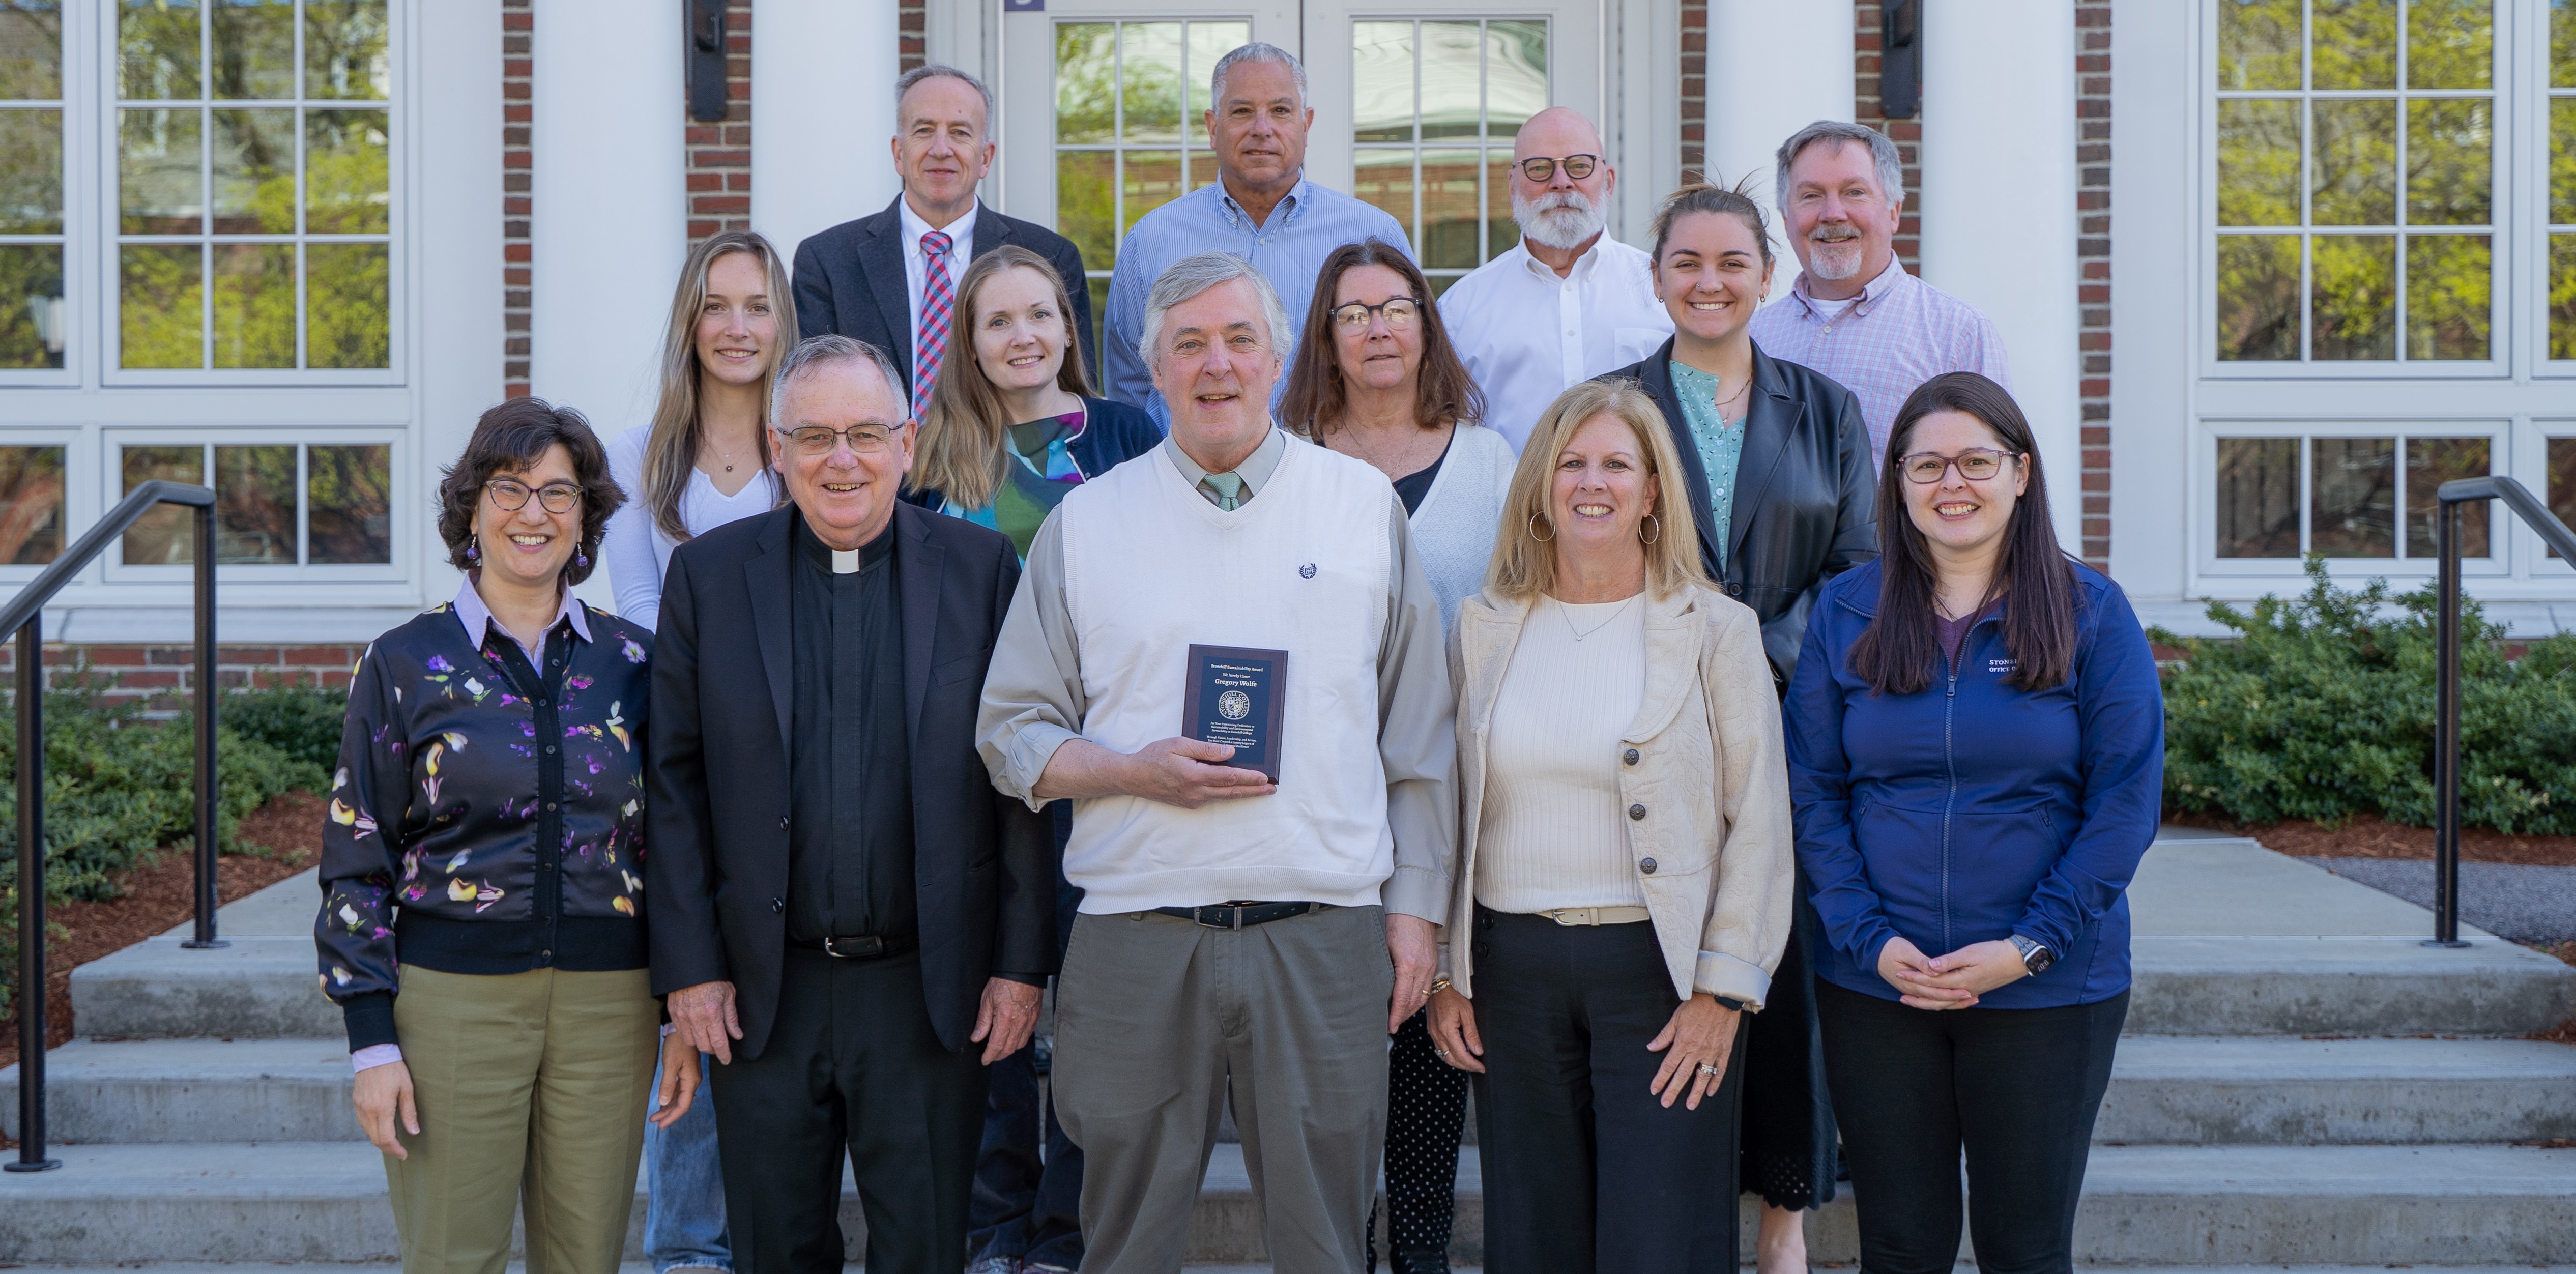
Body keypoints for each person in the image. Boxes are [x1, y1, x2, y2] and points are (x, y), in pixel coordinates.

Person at [977, 251, 1456, 1274]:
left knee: (1326, 1247)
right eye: (1187, 344)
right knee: (1122, 1248)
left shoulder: (1361, 507)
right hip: (1136, 936)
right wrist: (1131, 771)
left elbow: (1418, 732)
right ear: (1152, 370)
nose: (1217, 363)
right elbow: (1010, 733)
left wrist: (1415, 907)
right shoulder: (1085, 523)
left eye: (1240, 339)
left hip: (1322, 931)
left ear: (1278, 357)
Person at [647, 335, 1057, 1274]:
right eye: (815, 436)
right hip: (762, 993)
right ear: (777, 448)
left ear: (905, 444)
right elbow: (672, 784)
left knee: (923, 1252)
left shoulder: (981, 569)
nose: (843, 459)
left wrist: (1019, 964)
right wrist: (690, 971)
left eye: (866, 434)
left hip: (927, 990)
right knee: (774, 1251)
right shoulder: (708, 578)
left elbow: (1021, 780)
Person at [1785, 371, 2162, 1274]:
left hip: (2045, 988)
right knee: (1898, 1246)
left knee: (2023, 1249)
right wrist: (1867, 938)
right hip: (1878, 983)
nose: (1950, 483)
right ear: (1897, 481)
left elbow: (2123, 802)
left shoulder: (2091, 612)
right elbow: (1810, 791)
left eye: (1975, 461)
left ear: (2020, 473)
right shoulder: (1847, 610)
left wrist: (2029, 946)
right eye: (1926, 465)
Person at [1424, 378, 1793, 1272]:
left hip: (1660, 976)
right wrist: (1443, 967)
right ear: (1541, 486)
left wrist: (1722, 992)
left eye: (1616, 465)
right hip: (1510, 974)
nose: (1592, 483)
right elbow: (1441, 807)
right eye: (1571, 463)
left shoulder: (1716, 629)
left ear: (1652, 490)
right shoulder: (1480, 628)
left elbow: (1759, 821)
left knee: (1659, 1241)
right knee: (1533, 1240)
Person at [319, 398, 684, 1274]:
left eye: (559, 492)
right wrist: (371, 1039)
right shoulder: (404, 661)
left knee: (585, 1259)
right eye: (510, 488)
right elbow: (356, 854)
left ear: (586, 518)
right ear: (472, 507)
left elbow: (675, 848)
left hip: (609, 1007)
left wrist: (679, 1011)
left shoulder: (636, 663)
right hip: (452, 1003)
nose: (534, 512)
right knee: (453, 1256)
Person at [1601, 182, 1874, 1274]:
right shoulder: (1609, 406)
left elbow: (1856, 571)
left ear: (1766, 277)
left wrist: (1751, 653)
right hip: (1645, 715)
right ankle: (1670, 1198)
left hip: (1787, 716)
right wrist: (1689, 654)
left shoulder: (1826, 410)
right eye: (1686, 262)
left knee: (1781, 961)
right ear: (1655, 277)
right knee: (1663, 959)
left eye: (1730, 263)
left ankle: (1784, 1213)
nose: (1707, 283)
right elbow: (1582, 547)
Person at [906, 243, 1157, 1274]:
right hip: (972, 770)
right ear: (967, 341)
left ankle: (1065, 1229)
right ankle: (994, 1225)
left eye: (1040, 315)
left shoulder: (1127, 437)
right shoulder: (934, 457)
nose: (1022, 337)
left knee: (1091, 1011)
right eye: (998, 320)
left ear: (1068, 328)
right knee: (992, 1007)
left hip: (1103, 763)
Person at [1275, 238, 1504, 1273]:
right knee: (1319, 1063)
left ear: (1425, 325)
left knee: (1426, 1032)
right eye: (1352, 312)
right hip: (1310, 794)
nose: (1376, 328)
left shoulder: (1488, 461)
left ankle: (1416, 1252)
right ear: (1324, 337)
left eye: (1396, 307)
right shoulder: (1280, 458)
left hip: (1448, 788)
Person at [597, 228, 796, 1274]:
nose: (736, 325)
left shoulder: (809, 441)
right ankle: (686, 1246)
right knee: (690, 990)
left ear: (782, 320)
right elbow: (638, 610)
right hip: (677, 752)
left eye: (756, 305)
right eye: (716, 304)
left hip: (798, 757)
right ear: (690, 320)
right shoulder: (639, 453)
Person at [1101, 43, 1413, 427]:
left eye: (1280, 111)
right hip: (1191, 462)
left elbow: (1409, 357)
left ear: (1306, 125)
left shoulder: (1372, 233)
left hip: (1332, 458)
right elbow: (1131, 381)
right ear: (1213, 127)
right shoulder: (1152, 239)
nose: (1262, 129)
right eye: (1242, 111)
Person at [792, 66, 1093, 420]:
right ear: (898, 153)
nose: (940, 149)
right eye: (924, 131)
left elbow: (1073, 393)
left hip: (1011, 454)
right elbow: (812, 395)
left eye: (960, 133)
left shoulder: (1049, 255)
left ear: (985, 157)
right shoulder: (827, 261)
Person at [1748, 121, 2009, 461]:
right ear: (1786, 219)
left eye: (1854, 192)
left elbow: (1991, 470)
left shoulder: (1958, 333)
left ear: (1894, 211)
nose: (1832, 214)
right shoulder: (1753, 336)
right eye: (1811, 196)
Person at [1438, 106, 1671, 453]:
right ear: (1512, 184)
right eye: (1539, 168)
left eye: (1579, 165)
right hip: (1508, 491)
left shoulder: (1662, 288)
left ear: (1608, 180)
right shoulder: (1461, 308)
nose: (1561, 182)